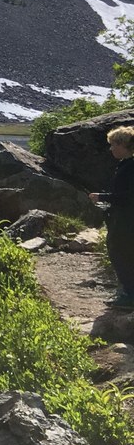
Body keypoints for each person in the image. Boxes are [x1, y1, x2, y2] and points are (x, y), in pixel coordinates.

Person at [90, 126, 134, 309]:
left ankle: (129, 296)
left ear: (124, 145)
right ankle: (126, 292)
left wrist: (102, 197)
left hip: (125, 219)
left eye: (113, 144)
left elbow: (128, 196)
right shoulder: (126, 164)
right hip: (123, 217)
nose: (111, 149)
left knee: (119, 253)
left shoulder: (129, 167)